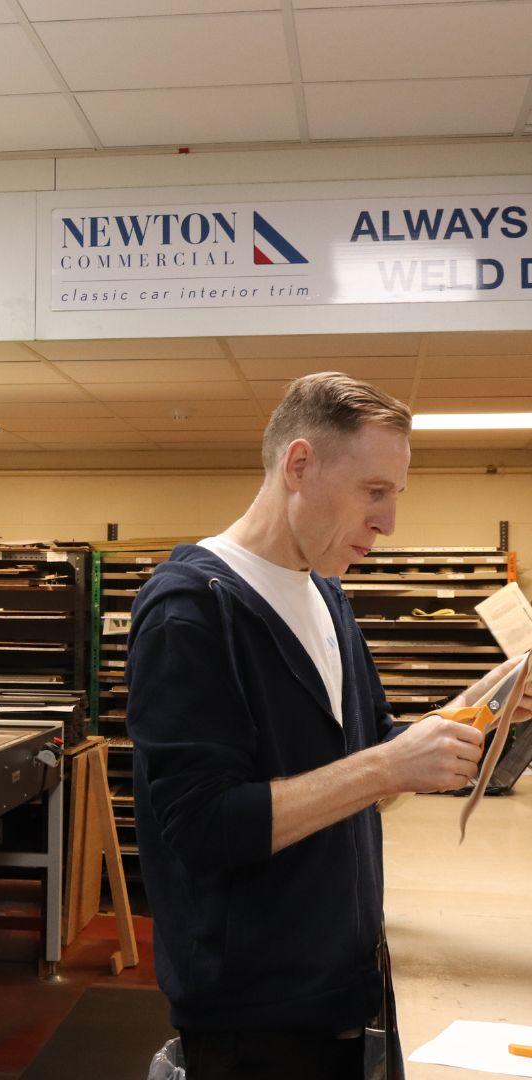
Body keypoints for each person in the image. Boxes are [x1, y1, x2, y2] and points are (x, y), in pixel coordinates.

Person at [126, 372, 532, 1080]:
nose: (388, 522)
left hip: (344, 982)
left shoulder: (325, 595)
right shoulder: (191, 611)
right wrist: (388, 766)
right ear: (300, 465)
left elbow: (368, 752)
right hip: (255, 1015)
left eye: (395, 495)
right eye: (374, 491)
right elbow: (203, 827)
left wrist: (483, 703)